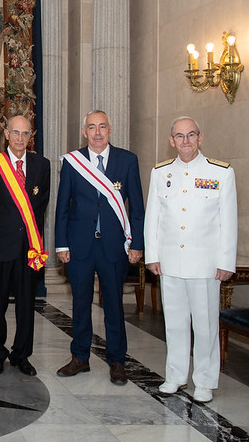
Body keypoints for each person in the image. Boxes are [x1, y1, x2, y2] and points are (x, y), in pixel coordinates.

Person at [144, 117, 236, 404]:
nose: (186, 141)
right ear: (171, 140)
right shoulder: (160, 172)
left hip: (205, 264)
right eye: (180, 136)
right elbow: (153, 218)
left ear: (200, 137)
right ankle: (175, 375)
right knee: (174, 323)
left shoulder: (221, 173)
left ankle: (206, 381)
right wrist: (153, 255)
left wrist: (226, 262)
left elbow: (228, 220)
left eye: (191, 135)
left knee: (206, 325)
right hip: (170, 262)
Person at [54, 110, 145, 386]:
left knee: (114, 305)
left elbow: (138, 208)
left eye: (102, 127)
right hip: (80, 246)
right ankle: (80, 357)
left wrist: (137, 244)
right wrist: (61, 243)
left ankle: (117, 361)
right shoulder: (73, 162)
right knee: (80, 303)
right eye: (91, 127)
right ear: (84, 132)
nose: (97, 132)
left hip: (114, 246)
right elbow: (62, 207)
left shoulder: (127, 161)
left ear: (110, 129)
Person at [0, 115, 50, 377]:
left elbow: (41, 205)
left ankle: (22, 354)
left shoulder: (41, 165)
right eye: (15, 132)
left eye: (25, 133)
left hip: (29, 248)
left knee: (26, 304)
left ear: (30, 136)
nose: (20, 138)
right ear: (7, 134)